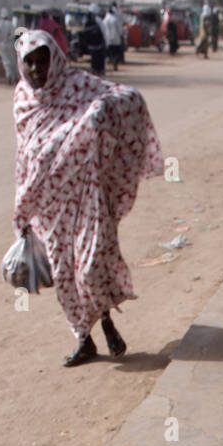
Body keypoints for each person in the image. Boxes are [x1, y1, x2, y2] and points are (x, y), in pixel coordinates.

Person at [12, 30, 163, 367]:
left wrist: (101, 108)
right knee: (65, 273)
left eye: (42, 60)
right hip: (50, 208)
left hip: (88, 196)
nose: (37, 70)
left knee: (91, 267)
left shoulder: (78, 85)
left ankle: (106, 319)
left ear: (55, 58)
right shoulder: (23, 100)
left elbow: (129, 96)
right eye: (30, 63)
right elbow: (24, 156)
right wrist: (22, 210)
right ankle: (85, 337)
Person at [0, 7, 18, 84]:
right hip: (10, 43)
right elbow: (13, 35)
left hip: (2, 44)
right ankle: (15, 77)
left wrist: (2, 38)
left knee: (5, 61)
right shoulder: (11, 24)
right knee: (13, 60)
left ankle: (9, 75)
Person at [100, 4, 123, 68]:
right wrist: (121, 35)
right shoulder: (115, 19)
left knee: (110, 52)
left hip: (108, 39)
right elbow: (119, 29)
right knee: (116, 52)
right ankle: (115, 61)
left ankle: (112, 60)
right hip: (116, 39)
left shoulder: (104, 20)